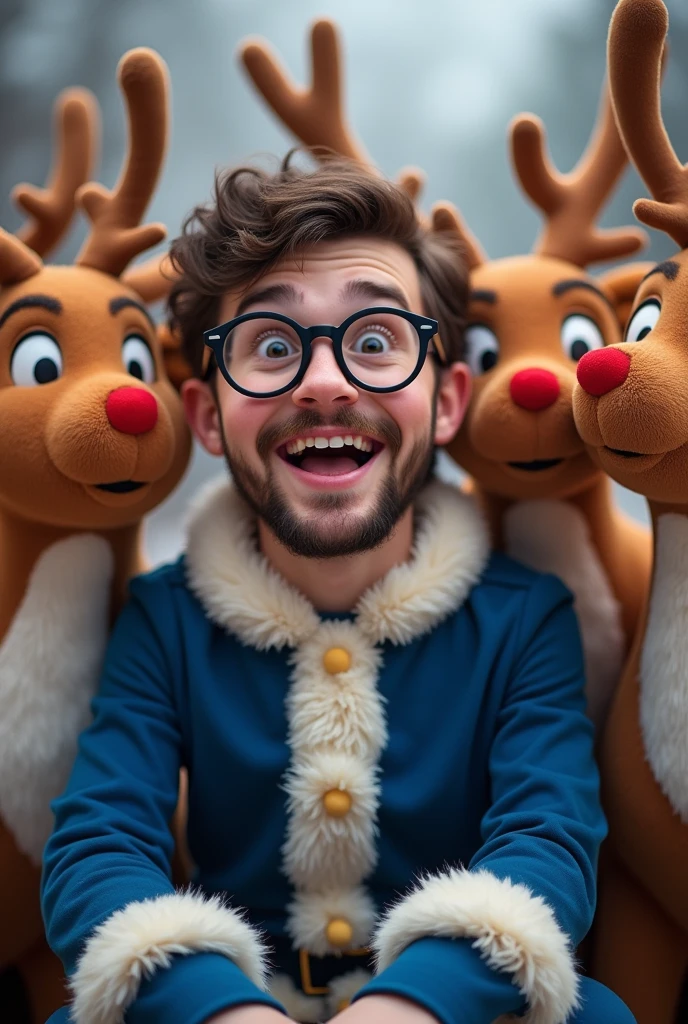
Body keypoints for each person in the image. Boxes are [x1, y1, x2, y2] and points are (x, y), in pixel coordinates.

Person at [41, 157, 635, 1024]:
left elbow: (548, 840)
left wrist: (414, 1004)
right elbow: (99, 845)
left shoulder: (524, 616)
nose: (325, 382)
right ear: (207, 415)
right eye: (274, 347)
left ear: (445, 401)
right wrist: (220, 1008)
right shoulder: (163, 619)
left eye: (375, 339)